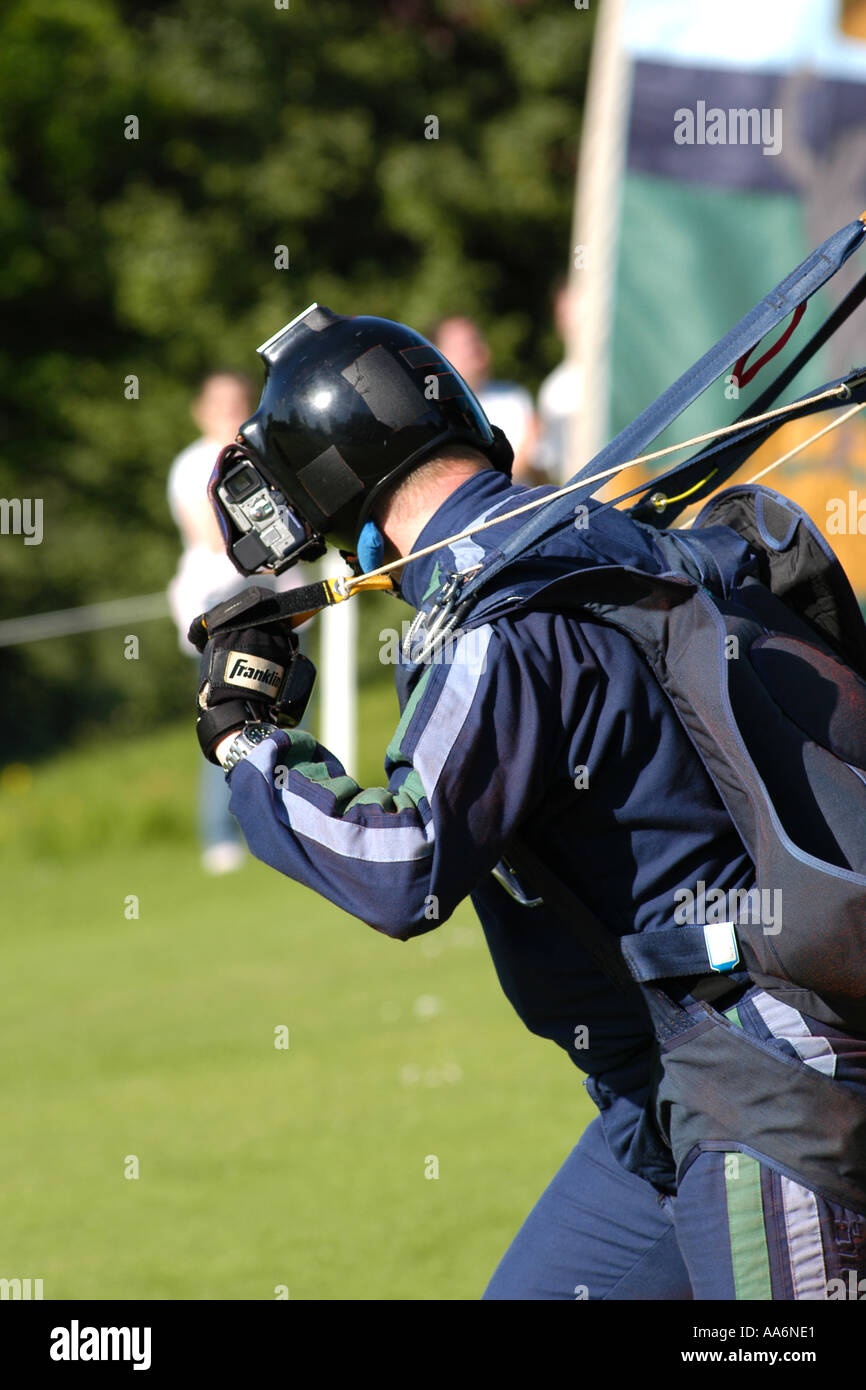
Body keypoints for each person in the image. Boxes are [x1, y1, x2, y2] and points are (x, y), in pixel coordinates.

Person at [193, 306, 866, 1301]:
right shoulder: (611, 542)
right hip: (660, 1093)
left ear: (326, 493)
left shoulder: (496, 628)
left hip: (759, 1081)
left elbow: (400, 865)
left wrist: (247, 741)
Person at [428, 315, 541, 485]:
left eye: (476, 341)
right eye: (464, 345)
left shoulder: (514, 396)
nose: (475, 350)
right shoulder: (434, 411)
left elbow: (534, 459)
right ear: (439, 355)